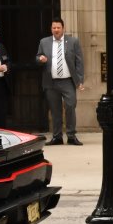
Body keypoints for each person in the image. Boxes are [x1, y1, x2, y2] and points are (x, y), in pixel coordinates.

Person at [36, 18, 84, 146]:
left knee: (70, 106)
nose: (56, 30)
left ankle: (71, 136)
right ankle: (57, 137)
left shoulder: (73, 41)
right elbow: (37, 56)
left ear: (63, 28)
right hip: (51, 81)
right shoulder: (44, 42)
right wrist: (40, 59)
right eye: (54, 28)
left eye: (58, 27)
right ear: (51, 29)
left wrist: (79, 80)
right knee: (55, 110)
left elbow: (79, 62)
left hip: (68, 81)